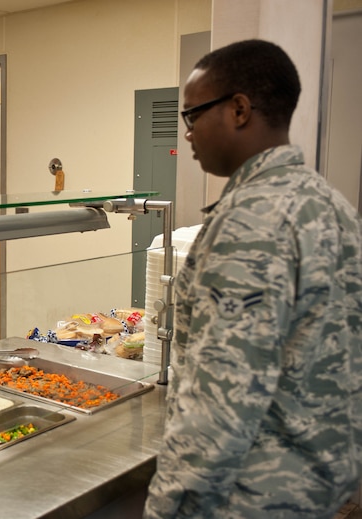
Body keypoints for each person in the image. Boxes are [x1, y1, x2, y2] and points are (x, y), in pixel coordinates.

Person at [144, 39, 362, 518]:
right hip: (318, 485)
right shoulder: (330, 204)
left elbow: (220, 404)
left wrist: (166, 508)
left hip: (248, 497)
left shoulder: (249, 223)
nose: (187, 134)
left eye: (192, 115)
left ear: (239, 110)